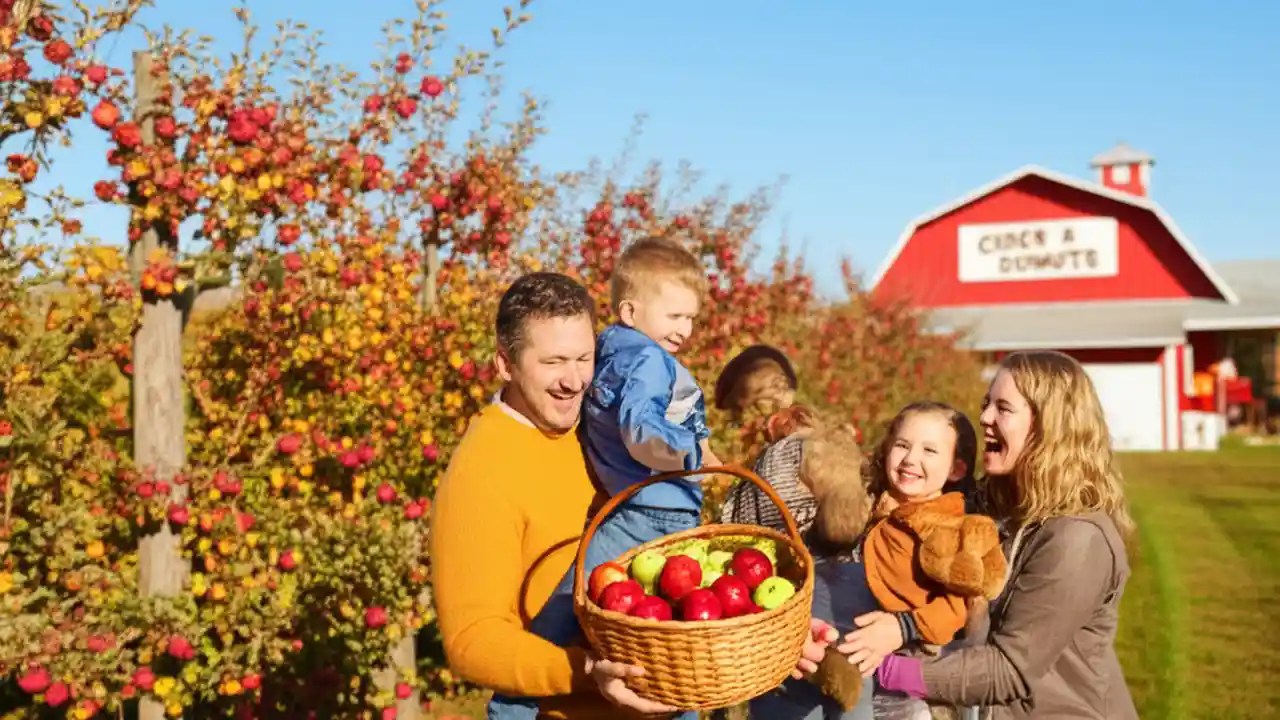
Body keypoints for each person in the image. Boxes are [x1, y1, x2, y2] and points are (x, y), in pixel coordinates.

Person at [433, 271, 838, 719]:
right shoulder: (484, 469)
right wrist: (590, 671)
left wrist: (764, 623)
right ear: (506, 364)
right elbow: (472, 642)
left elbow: (668, 556)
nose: (573, 381)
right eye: (553, 363)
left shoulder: (598, 424)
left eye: (583, 359)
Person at [487, 238, 719, 719]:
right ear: (632, 309)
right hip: (655, 511)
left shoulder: (606, 347)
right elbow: (640, 428)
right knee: (593, 605)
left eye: (691, 318)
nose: (686, 330)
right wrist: (691, 452)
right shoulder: (652, 361)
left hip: (637, 505)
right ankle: (509, 707)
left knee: (628, 610)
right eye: (675, 316)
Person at [844, 351, 1139, 719]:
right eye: (986, 404)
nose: (984, 418)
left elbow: (1009, 669)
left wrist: (886, 668)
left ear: (1048, 425)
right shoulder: (996, 506)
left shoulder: (1076, 539)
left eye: (1003, 408)